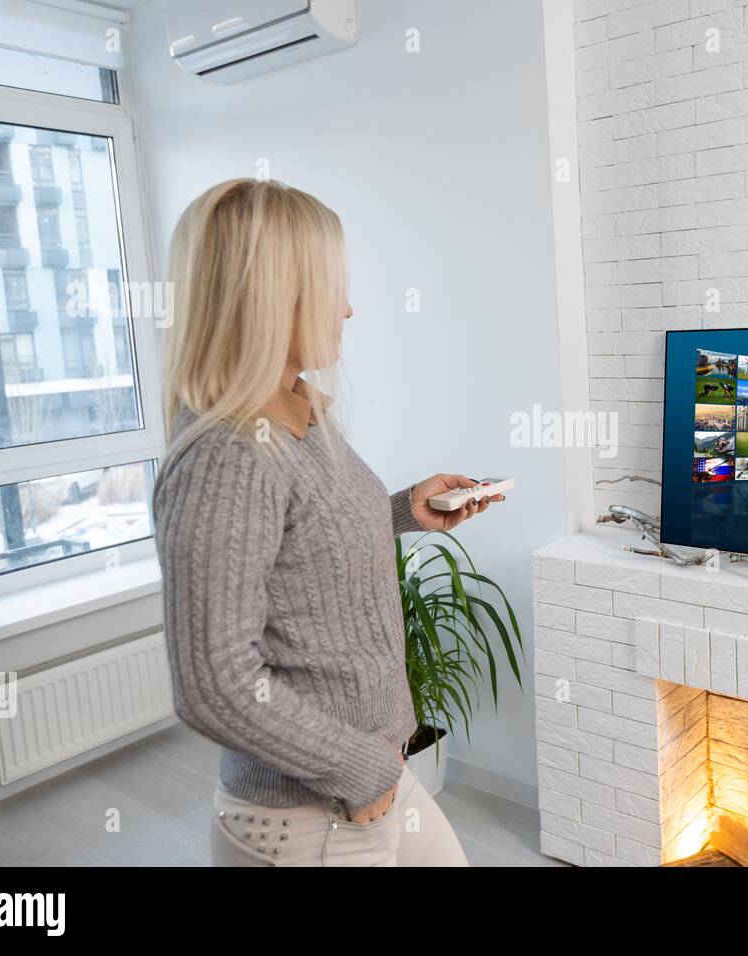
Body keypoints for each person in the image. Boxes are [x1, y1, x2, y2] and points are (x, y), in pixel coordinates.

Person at [153, 180, 503, 867]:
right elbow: (213, 684)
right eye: (331, 285)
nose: (348, 307)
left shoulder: (294, 411)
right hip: (317, 812)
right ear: (269, 298)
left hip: (373, 778)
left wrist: (405, 511)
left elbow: (304, 541)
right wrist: (360, 772)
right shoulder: (227, 455)